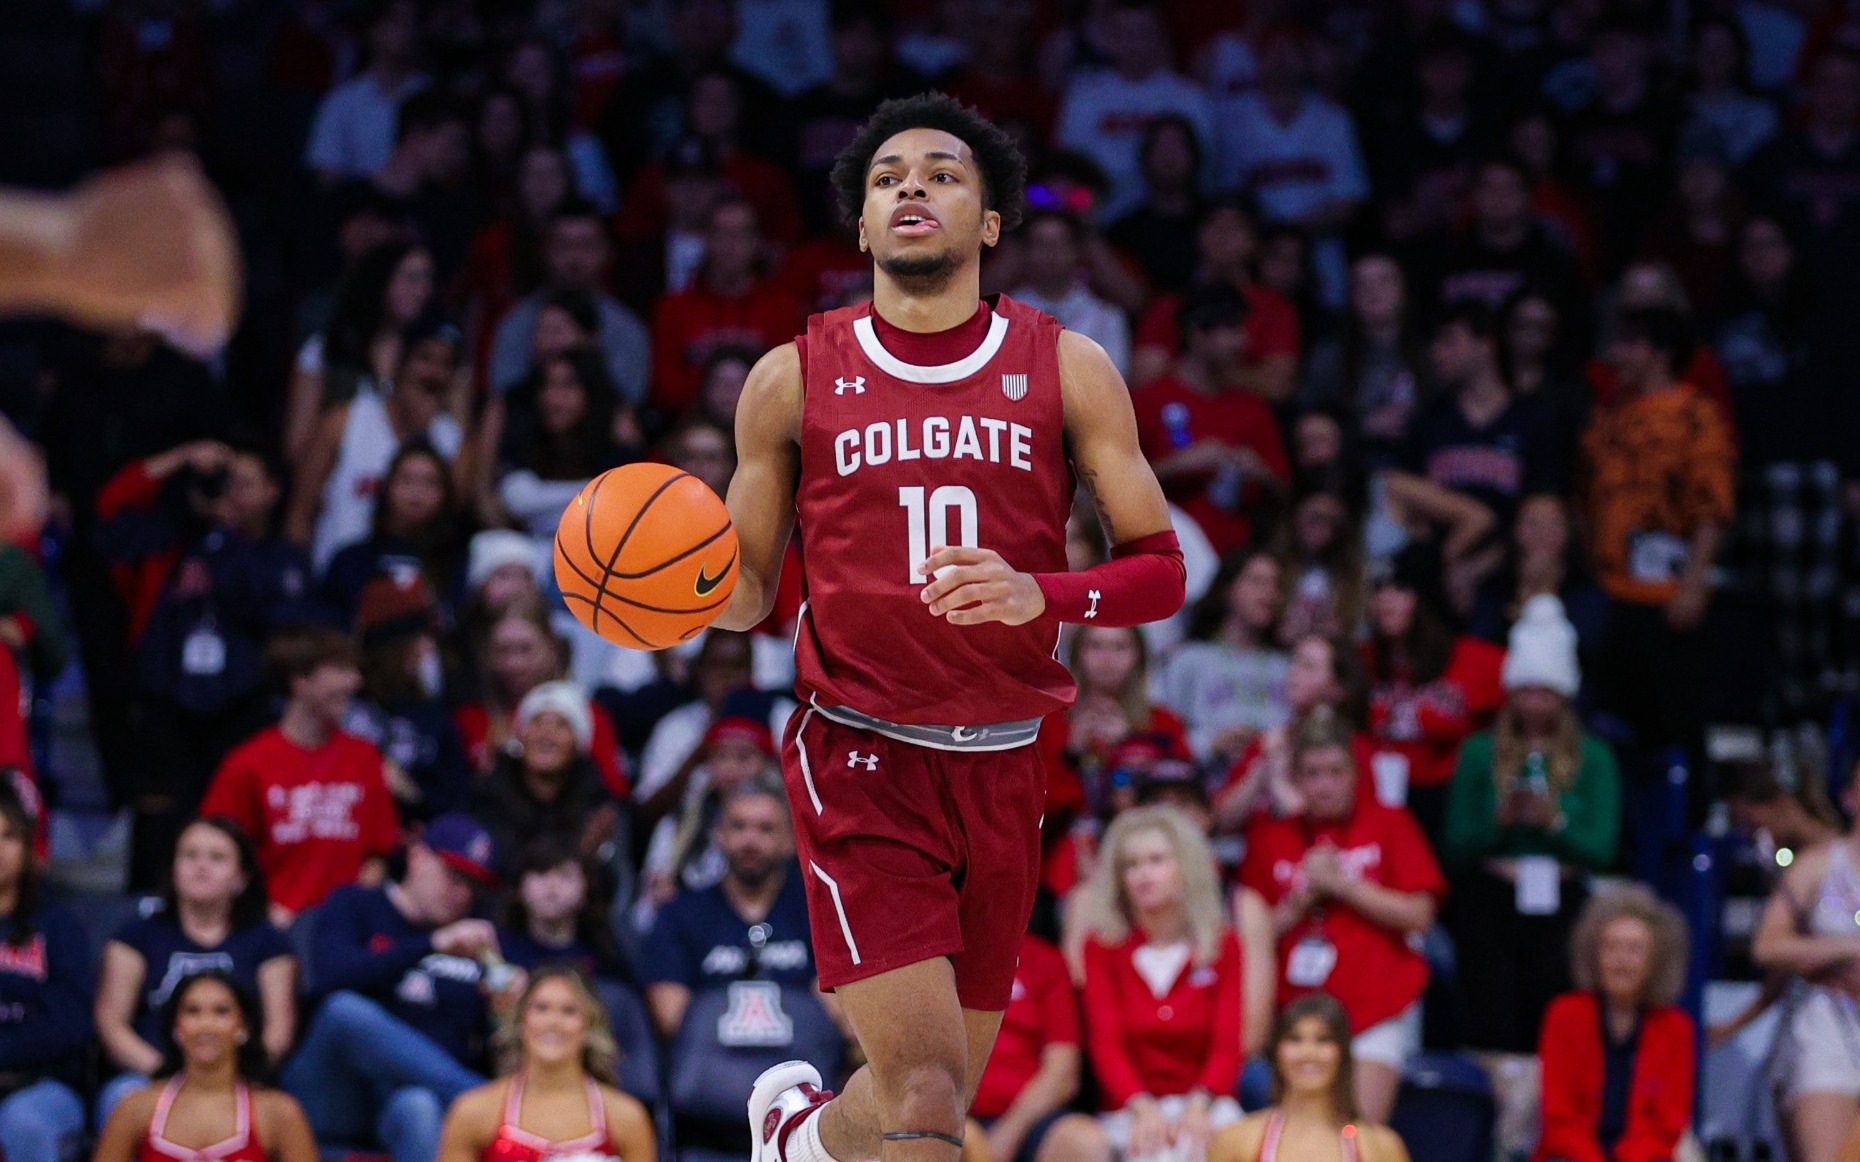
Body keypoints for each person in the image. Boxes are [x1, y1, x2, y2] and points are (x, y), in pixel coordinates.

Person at [708, 91, 1185, 1162]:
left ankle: (799, 1141)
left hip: (1006, 762)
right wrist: (664, 597)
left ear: (990, 222)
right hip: (861, 754)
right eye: (887, 179)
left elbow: (1161, 572)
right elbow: (743, 594)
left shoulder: (1067, 365)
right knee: (926, 1093)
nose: (911, 188)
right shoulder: (790, 377)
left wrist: (1042, 593)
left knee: (926, 1096)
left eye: (941, 174)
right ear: (862, 227)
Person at [1239, 709, 1444, 1123]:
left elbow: (1420, 915)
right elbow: (1248, 936)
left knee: (1356, 1132)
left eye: (1336, 772)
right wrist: (1299, 902)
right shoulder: (1270, 835)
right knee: (1297, 1136)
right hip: (1292, 1015)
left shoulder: (1390, 824)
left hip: (1376, 1009)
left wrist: (1346, 887)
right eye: (1312, 773)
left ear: (1355, 775)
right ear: (1296, 779)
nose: (1325, 785)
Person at [1442, 595, 1622, 1058]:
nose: (1535, 702)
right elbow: (1454, 844)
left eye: (1545, 691)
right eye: (1526, 690)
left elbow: (1604, 848)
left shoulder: (1594, 756)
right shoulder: (1479, 752)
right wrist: (1498, 823)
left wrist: (1555, 821)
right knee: (1491, 1015)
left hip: (1563, 897)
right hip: (1491, 895)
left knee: (1556, 1011)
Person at [283, 816, 511, 1162]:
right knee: (344, 1009)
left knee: (419, 1106)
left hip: (414, 1101)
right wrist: (431, 944)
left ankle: (480, 1100)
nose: (462, 894)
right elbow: (331, 979)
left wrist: (506, 1004)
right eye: (453, 877)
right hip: (337, 1089)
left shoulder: (479, 939)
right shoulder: (355, 903)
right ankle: (490, 1102)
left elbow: (487, 1041)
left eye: (472, 887)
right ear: (418, 857)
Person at [1582, 306, 1735, 775]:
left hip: (1668, 596)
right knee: (1613, 728)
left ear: (1662, 353)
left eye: (1631, 344)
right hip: (1611, 596)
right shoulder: (1609, 415)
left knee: (1678, 728)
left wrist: (1694, 583)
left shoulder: (1695, 414)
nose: (1617, 355)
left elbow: (1712, 506)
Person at [1070, 806, 1249, 1161]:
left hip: (1207, 1103)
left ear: (1186, 867)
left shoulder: (1223, 944)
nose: (1143, 874)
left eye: (1156, 860)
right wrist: (1143, 1108)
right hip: (1129, 1108)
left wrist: (1197, 1107)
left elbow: (1227, 1045)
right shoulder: (1101, 947)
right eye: (1131, 864)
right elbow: (1106, 1045)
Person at [95, 818, 296, 1123]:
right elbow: (111, 1023)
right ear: (173, 870)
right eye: (190, 855)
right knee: (121, 1099)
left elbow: (278, 1032)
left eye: (217, 858)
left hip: (242, 1077)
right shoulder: (134, 935)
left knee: (273, 1110)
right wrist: (162, 1071)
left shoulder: (269, 942)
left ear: (241, 878)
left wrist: (231, 1077)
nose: (201, 866)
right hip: (149, 1073)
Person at [200, 628, 400, 927]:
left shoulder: (364, 757)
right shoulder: (247, 763)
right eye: (340, 669)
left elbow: (376, 854)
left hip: (345, 931)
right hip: (272, 926)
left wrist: (353, 915)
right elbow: (215, 848)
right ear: (300, 681)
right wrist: (262, 913)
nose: (355, 681)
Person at [1535, 888, 1695, 1162]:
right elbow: (1559, 1116)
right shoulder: (1564, 1014)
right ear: (1593, 953)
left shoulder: (1676, 1027)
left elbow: (1668, 1122)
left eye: (1634, 949)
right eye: (1610, 946)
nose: (1621, 959)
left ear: (1656, 960)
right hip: (1573, 1155)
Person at [1131, 286, 1292, 554]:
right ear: (1197, 335)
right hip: (1165, 553)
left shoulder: (1251, 406)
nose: (1243, 341)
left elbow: (1284, 490)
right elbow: (1113, 488)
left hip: (1236, 557)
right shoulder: (1147, 401)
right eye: (1231, 330)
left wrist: (1259, 471)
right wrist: (1179, 464)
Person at [435, 967, 655, 1162]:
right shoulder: (473, 1112)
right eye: (541, 1008)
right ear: (521, 1020)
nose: (553, 1022)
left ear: (588, 1025)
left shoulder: (626, 1117)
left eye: (569, 1011)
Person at [92, 971, 316, 1162]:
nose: (206, 1025)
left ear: (243, 1027)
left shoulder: (279, 1113)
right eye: (192, 1011)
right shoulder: (134, 1108)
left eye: (221, 1011)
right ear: (176, 1027)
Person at [1753, 772, 1860, 1162]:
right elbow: (1766, 946)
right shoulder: (1819, 864)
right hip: (1828, 1026)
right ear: (1849, 796)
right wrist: (1843, 947)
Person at [1207, 995, 1411, 1162]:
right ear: (1277, 1052)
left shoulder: (1380, 1147)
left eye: (1323, 1040)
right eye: (1295, 1039)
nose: (1308, 1053)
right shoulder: (1236, 1140)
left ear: (1343, 1053)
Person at [967, 934, 1109, 1162]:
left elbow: (1062, 1073)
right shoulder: (940, 958)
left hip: (1028, 1118)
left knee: (1086, 1143)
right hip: (955, 1115)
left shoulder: (1044, 961)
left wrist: (1007, 1134)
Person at [1154, 550, 1289, 765]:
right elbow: (1159, 734)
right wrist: (1210, 744)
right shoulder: (1188, 660)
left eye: (1276, 585)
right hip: (1204, 776)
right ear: (1228, 589)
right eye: (1257, 582)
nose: (1269, 594)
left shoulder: (1286, 665)